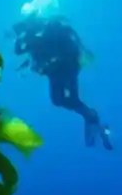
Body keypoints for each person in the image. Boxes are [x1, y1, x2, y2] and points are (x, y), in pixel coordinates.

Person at [13, 13, 113, 150]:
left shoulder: (50, 31)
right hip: (55, 71)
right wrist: (20, 38)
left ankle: (91, 116)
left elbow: (62, 50)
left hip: (68, 67)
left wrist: (50, 62)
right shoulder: (31, 37)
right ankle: (90, 115)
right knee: (58, 101)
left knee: (71, 98)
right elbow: (19, 51)